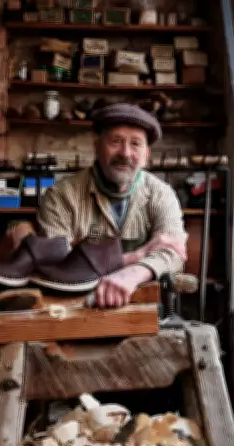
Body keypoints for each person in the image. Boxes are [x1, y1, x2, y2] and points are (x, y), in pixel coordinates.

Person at [37, 103, 188, 308]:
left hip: (145, 308)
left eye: (135, 144)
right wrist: (139, 255)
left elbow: (174, 253)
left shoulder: (161, 194)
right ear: (97, 147)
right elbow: (59, 267)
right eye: (116, 141)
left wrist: (133, 274)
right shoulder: (61, 196)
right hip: (77, 309)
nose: (125, 153)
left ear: (146, 155)